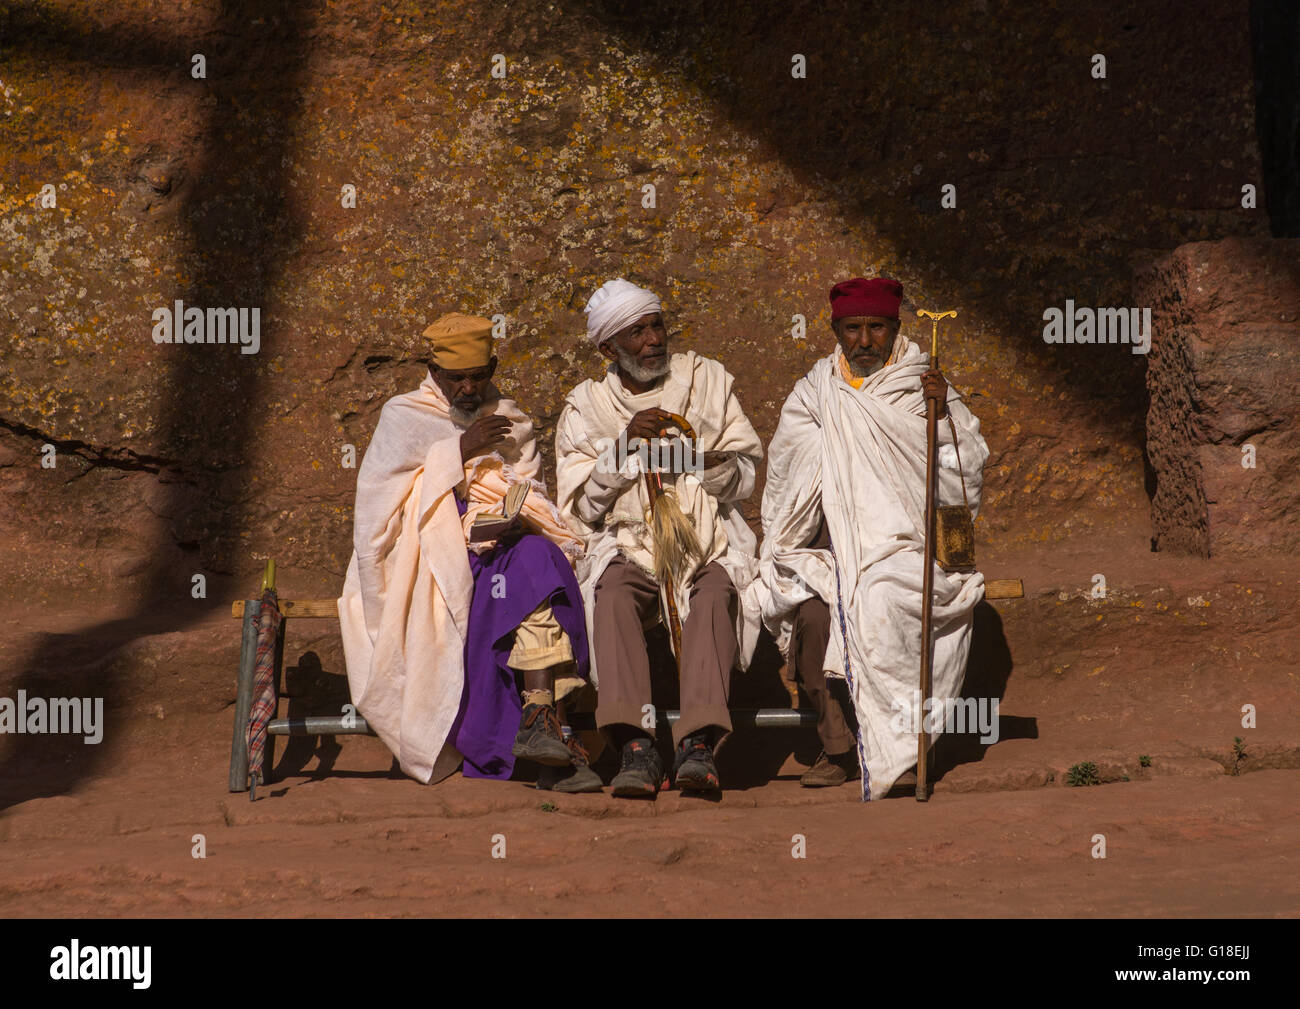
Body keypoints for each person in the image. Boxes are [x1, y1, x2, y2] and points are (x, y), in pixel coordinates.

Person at [338, 312, 601, 793]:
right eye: (455, 378)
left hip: (500, 549)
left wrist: (508, 514)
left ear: (494, 368)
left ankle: (545, 727)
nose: (467, 389)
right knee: (540, 571)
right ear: (432, 372)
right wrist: (459, 449)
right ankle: (557, 739)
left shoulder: (510, 418)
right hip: (430, 561)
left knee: (541, 560)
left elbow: (531, 490)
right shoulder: (404, 416)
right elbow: (378, 510)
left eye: (478, 377)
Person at [755, 277, 989, 798]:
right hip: (831, 547)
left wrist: (944, 414)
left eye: (876, 328)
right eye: (853, 328)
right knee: (816, 615)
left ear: (895, 329)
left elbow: (963, 475)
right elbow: (788, 480)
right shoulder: (815, 393)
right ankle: (840, 747)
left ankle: (902, 746)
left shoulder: (923, 386)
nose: (865, 341)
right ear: (836, 330)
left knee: (881, 602)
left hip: (907, 548)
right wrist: (801, 542)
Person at [556, 279, 763, 796]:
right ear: (608, 348)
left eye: (657, 325)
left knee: (715, 593)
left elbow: (747, 475)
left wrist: (699, 459)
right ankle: (635, 744)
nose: (653, 340)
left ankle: (698, 745)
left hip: (705, 535)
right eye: (636, 333)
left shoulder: (706, 381)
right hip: (629, 541)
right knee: (613, 594)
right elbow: (581, 509)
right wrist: (623, 448)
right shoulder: (586, 407)